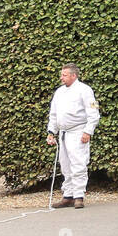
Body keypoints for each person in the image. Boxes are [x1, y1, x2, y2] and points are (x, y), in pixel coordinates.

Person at [46, 64, 100, 209]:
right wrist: (52, 132)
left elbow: (93, 112)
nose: (61, 77)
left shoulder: (85, 90)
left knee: (78, 163)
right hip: (63, 132)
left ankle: (78, 196)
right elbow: (54, 114)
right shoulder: (59, 92)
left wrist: (88, 131)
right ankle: (68, 195)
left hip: (78, 131)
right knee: (65, 165)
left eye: (64, 75)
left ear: (73, 75)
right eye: (62, 75)